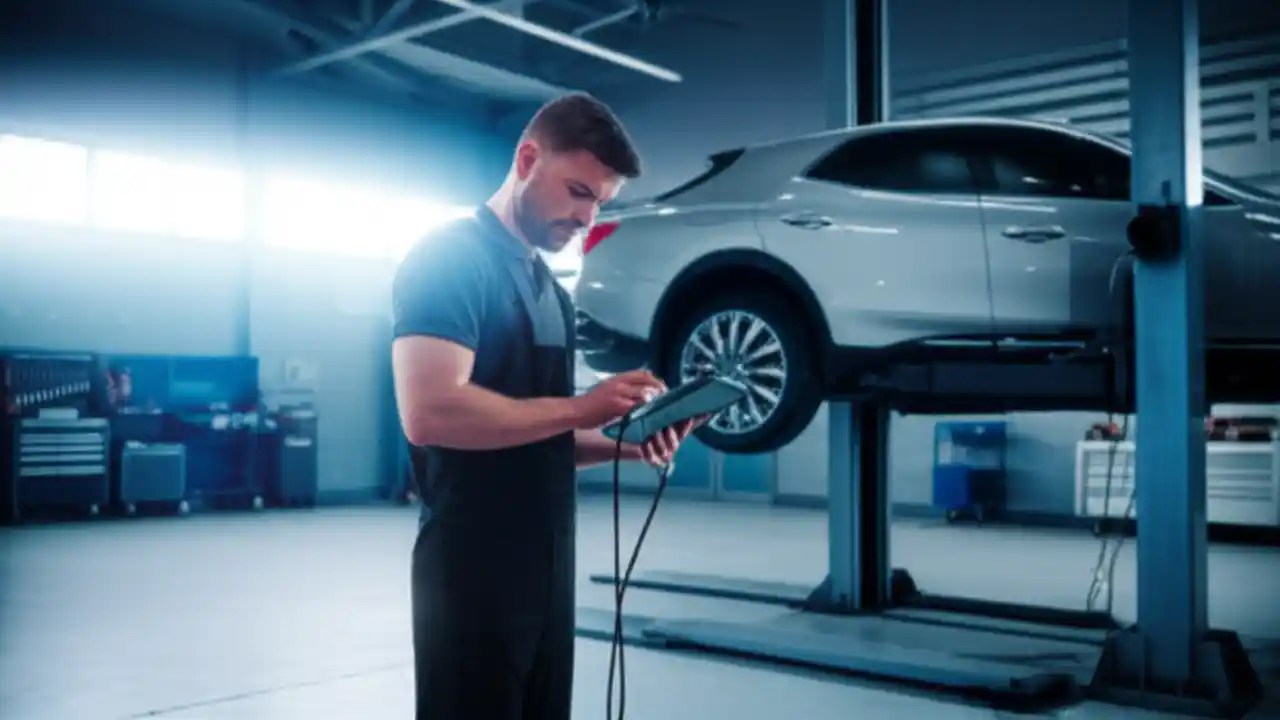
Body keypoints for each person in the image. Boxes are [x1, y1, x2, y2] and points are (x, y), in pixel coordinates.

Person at [391, 92, 700, 720]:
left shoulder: (550, 295)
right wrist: (582, 409)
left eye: (601, 203)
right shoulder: (450, 260)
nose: (588, 220)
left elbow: (542, 436)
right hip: (470, 571)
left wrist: (629, 444)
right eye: (579, 192)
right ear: (528, 158)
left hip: (548, 563)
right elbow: (430, 413)